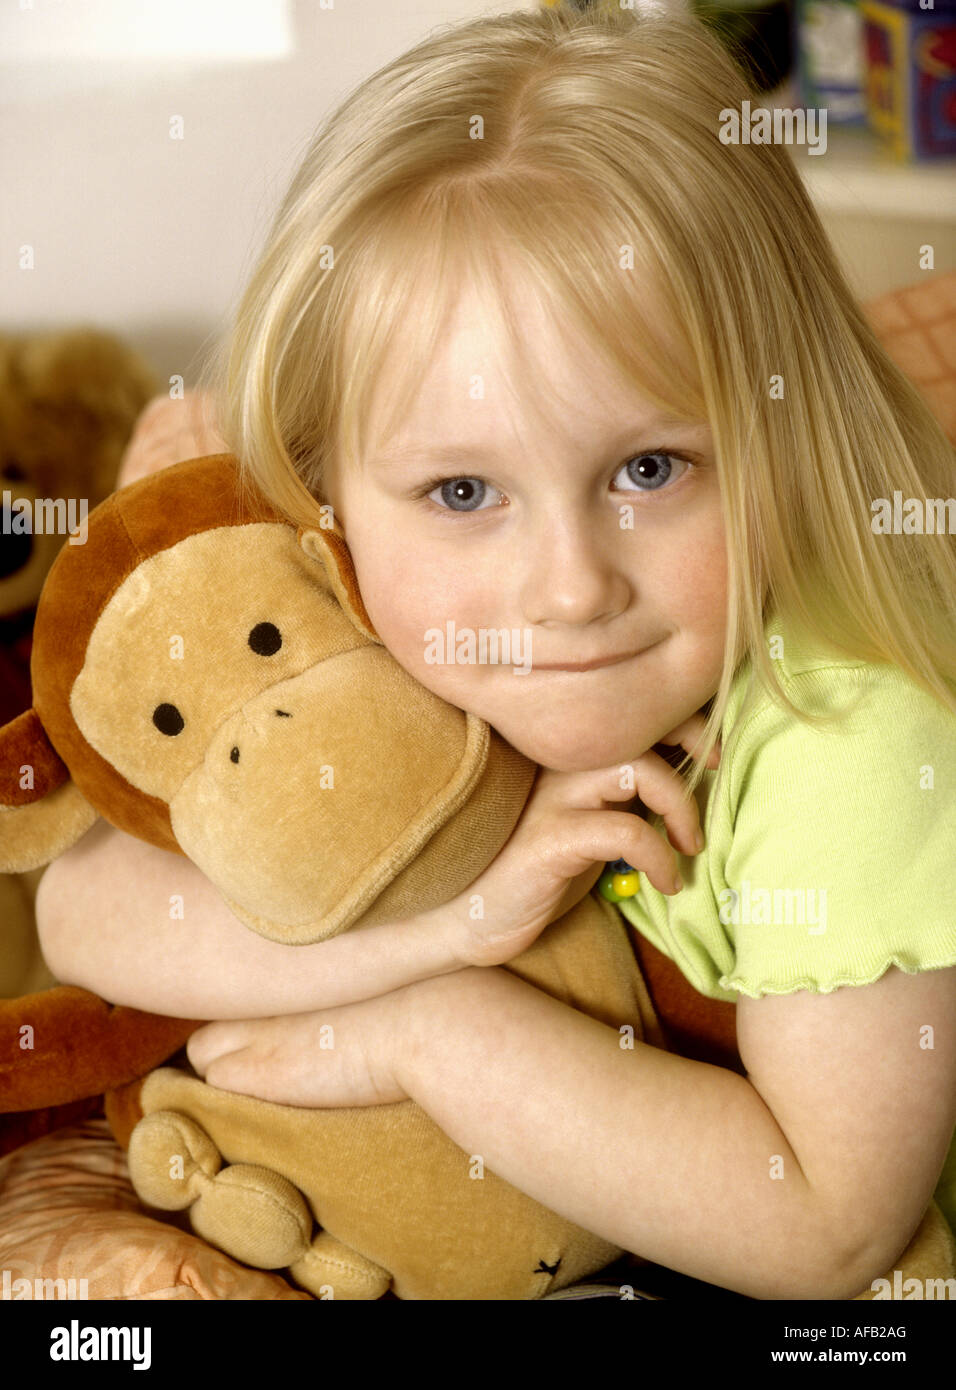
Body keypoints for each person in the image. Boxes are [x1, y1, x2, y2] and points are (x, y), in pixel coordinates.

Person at [36, 5, 956, 1300]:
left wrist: (429, 1030)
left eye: (651, 468)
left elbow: (831, 1225)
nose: (570, 589)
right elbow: (83, 912)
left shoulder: (849, 741)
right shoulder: (394, 606)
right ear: (322, 495)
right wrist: (465, 915)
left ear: (785, 441)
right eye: (464, 491)